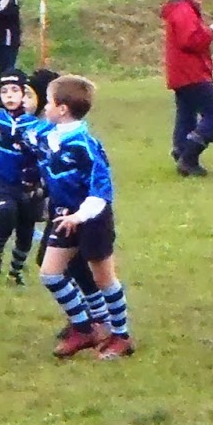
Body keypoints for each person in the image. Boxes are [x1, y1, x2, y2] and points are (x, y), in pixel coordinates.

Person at [37, 75, 135, 361]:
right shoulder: (47, 136)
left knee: (104, 279)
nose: (44, 107)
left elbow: (101, 191)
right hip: (62, 215)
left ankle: (121, 336)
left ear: (63, 109)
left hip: (92, 219)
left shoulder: (86, 146)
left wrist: (80, 216)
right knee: (50, 274)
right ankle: (84, 327)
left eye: (48, 101)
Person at [0, 69, 44, 285]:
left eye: (15, 90)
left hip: (29, 188)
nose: (10, 96)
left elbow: (47, 154)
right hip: (1, 183)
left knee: (25, 230)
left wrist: (39, 175)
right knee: (6, 214)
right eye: (4, 91)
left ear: (25, 94)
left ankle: (15, 272)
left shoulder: (37, 126)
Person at [161, 0, 213, 176]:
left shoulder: (183, 8)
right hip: (191, 72)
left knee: (186, 115)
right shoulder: (183, 10)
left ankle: (181, 150)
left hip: (182, 72)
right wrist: (211, 32)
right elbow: (189, 41)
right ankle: (189, 156)